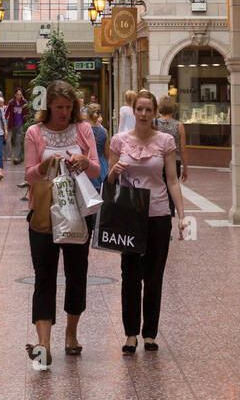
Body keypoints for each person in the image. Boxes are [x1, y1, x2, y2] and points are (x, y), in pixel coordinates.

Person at [24, 81, 100, 365]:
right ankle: (43, 344)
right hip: (43, 213)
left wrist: (82, 160)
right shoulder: (34, 132)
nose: (64, 113)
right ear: (49, 107)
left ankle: (71, 333)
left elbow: (96, 170)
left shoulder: (84, 130)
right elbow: (30, 176)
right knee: (43, 277)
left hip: (78, 214)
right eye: (59, 107)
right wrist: (44, 166)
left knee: (76, 274)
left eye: (69, 108)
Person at [109, 91, 187, 352]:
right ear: (133, 111)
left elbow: (172, 180)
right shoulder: (119, 141)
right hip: (130, 216)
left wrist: (182, 216)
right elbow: (108, 182)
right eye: (139, 109)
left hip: (158, 214)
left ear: (154, 113)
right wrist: (115, 171)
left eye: (148, 110)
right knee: (130, 275)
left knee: (154, 276)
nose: (143, 114)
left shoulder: (165, 140)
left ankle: (150, 333)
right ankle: (130, 334)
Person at [155, 96, 186, 181]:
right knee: (172, 189)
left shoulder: (155, 124)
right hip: (175, 161)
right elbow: (182, 149)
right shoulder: (179, 125)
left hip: (158, 160)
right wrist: (185, 168)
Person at [85, 103, 109, 190]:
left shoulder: (84, 130)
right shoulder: (104, 131)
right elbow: (107, 154)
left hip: (88, 164)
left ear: (87, 114)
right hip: (102, 166)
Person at [6, 88, 28, 165]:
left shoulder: (24, 102)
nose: (19, 96)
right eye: (18, 94)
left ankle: (17, 157)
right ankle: (8, 156)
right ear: (15, 95)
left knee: (18, 141)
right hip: (11, 124)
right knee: (9, 140)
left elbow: (27, 112)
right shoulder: (11, 102)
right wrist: (4, 122)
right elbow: (6, 112)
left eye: (20, 94)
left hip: (21, 124)